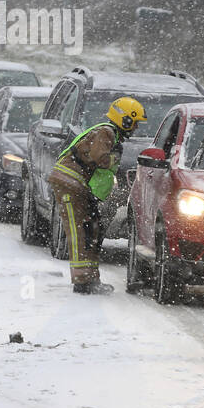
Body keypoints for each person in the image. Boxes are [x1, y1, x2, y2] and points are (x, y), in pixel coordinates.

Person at [48, 97, 147, 294]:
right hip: (69, 183)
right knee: (78, 233)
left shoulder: (111, 134)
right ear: (125, 120)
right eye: (134, 123)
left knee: (91, 229)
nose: (135, 128)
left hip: (79, 186)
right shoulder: (106, 132)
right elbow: (99, 158)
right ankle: (82, 281)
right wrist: (115, 158)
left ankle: (91, 278)